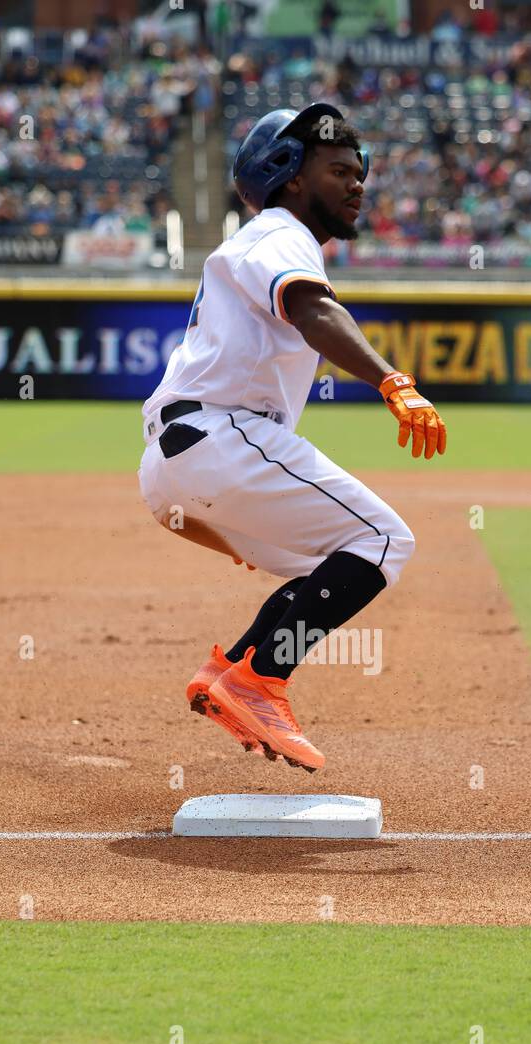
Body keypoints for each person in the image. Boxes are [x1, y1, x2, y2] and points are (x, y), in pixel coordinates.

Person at [138, 103, 447, 772]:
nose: (358, 183)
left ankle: (233, 668)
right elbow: (312, 309)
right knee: (383, 539)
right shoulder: (281, 232)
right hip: (222, 436)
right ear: (289, 178)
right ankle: (261, 681)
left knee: (324, 567)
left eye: (360, 172)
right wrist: (392, 381)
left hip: (175, 464)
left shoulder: (260, 241)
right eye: (339, 169)